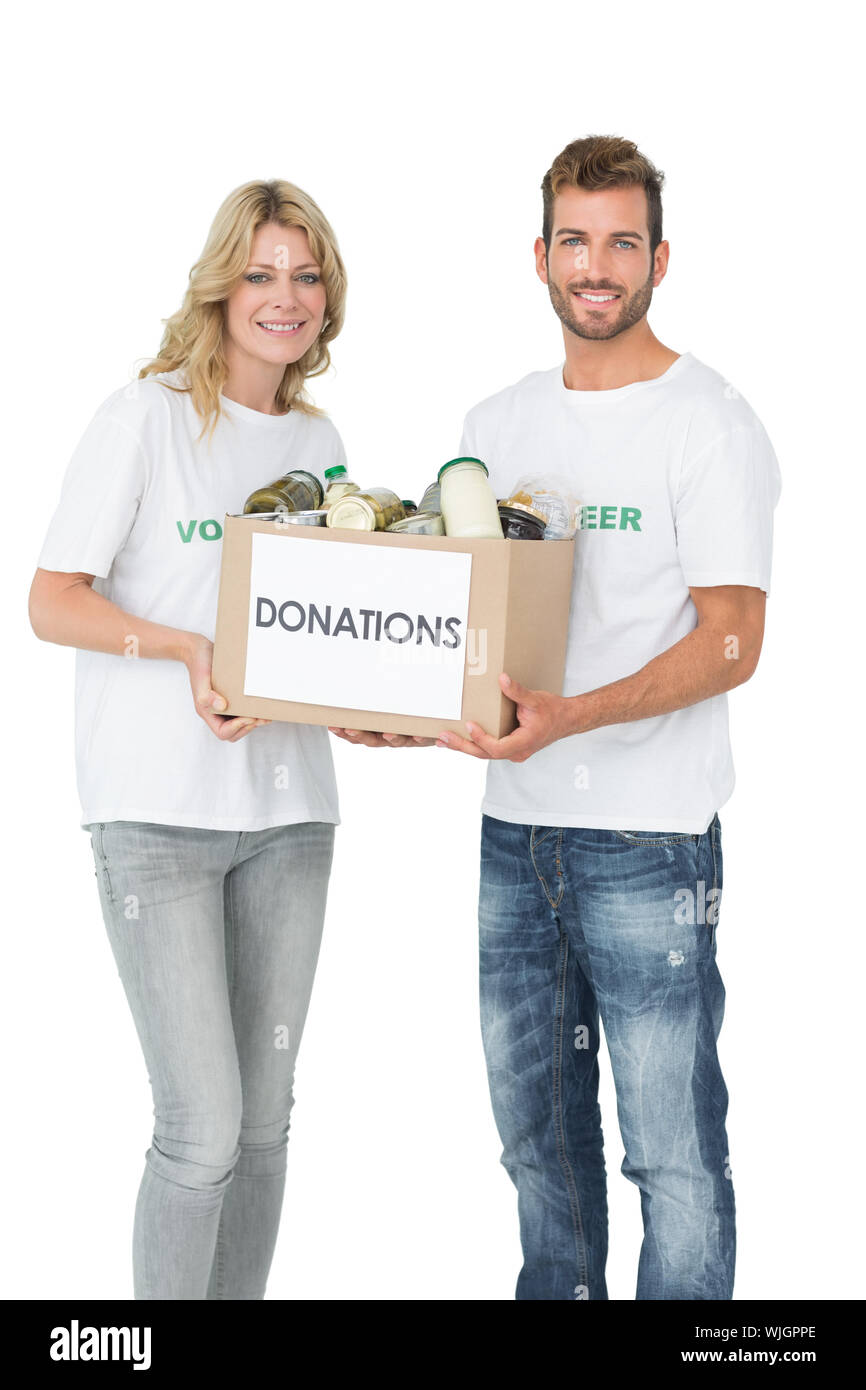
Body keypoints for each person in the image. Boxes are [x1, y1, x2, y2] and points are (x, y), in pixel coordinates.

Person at [331, 135, 781, 1300]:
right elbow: (470, 627)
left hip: (650, 840)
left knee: (670, 1158)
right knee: (537, 1153)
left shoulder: (708, 422)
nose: (596, 266)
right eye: (573, 242)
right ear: (538, 258)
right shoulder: (495, 419)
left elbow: (733, 639)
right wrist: (398, 715)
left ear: (658, 259)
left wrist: (572, 716)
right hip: (511, 837)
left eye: (620, 242)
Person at [29, 180, 349, 1300]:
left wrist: (374, 706)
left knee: (263, 1125)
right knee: (201, 1125)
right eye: (261, 272)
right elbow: (50, 599)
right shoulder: (146, 416)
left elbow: (321, 632)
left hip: (289, 818)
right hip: (155, 820)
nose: (284, 297)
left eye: (305, 275)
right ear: (219, 286)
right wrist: (180, 650)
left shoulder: (320, 442)